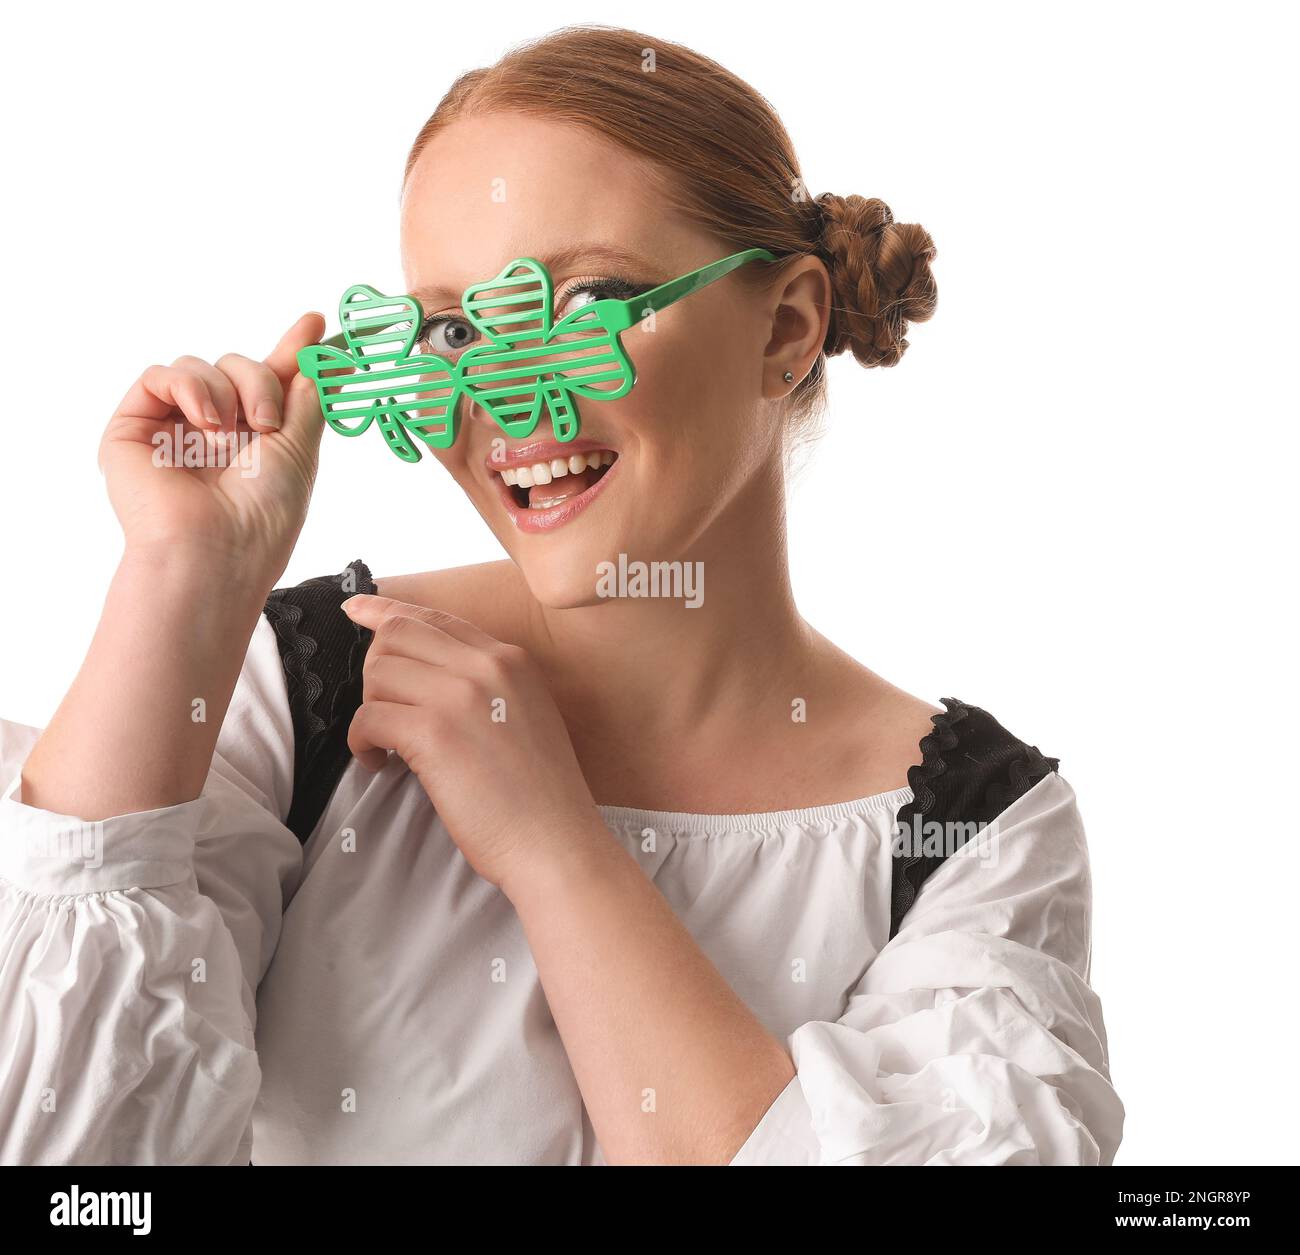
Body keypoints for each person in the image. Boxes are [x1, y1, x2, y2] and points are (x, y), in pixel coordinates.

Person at [0, 25, 1123, 1165]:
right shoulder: (307, 690)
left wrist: (554, 846)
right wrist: (179, 578)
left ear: (785, 328)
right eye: (453, 329)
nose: (505, 396)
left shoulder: (977, 830)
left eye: (585, 302)